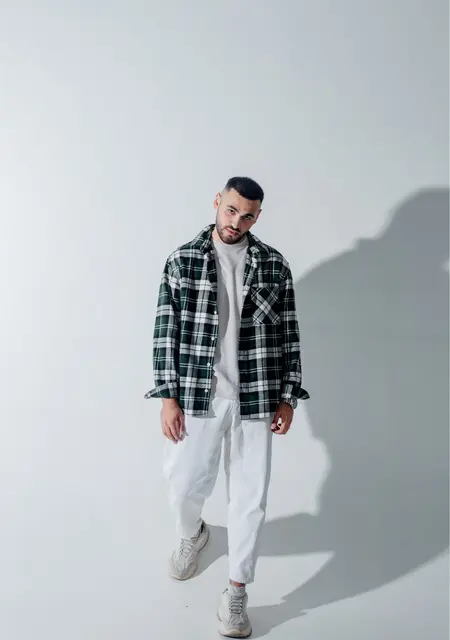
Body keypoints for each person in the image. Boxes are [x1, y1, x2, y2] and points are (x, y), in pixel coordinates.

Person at [145, 176, 309, 637]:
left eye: (247, 216)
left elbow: (290, 333)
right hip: (198, 394)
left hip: (257, 397)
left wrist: (288, 396)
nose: (236, 222)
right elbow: (164, 332)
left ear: (258, 217)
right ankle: (193, 534)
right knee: (181, 483)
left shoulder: (274, 265)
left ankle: (236, 591)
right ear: (218, 202)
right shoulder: (182, 260)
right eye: (231, 210)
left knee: (250, 499)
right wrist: (168, 397)